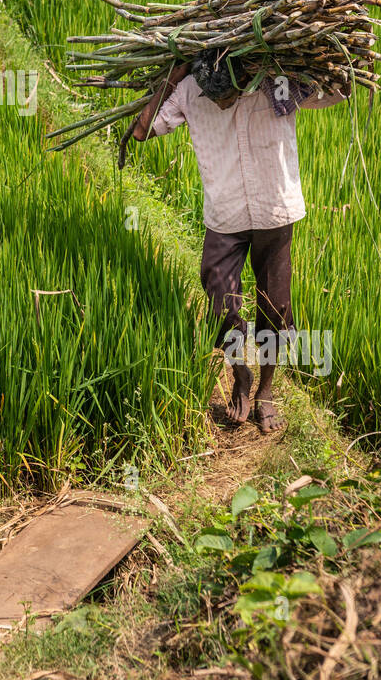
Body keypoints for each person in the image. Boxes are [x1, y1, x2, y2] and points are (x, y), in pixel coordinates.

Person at [131, 49, 349, 434]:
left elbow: (335, 91)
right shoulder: (191, 89)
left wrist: (336, 59)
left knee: (276, 307)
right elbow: (142, 130)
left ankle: (264, 393)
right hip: (225, 213)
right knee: (219, 298)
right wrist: (176, 73)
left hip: (273, 209)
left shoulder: (272, 81)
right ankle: (241, 372)